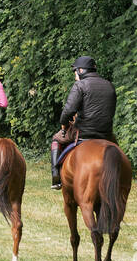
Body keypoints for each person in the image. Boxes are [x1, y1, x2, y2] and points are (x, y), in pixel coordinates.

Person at [50, 55, 117, 189]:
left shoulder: (80, 85)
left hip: (83, 132)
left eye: (75, 71)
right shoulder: (109, 85)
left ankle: (56, 176)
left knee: (56, 139)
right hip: (106, 134)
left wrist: (64, 124)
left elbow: (68, 110)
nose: (75, 75)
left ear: (81, 71)